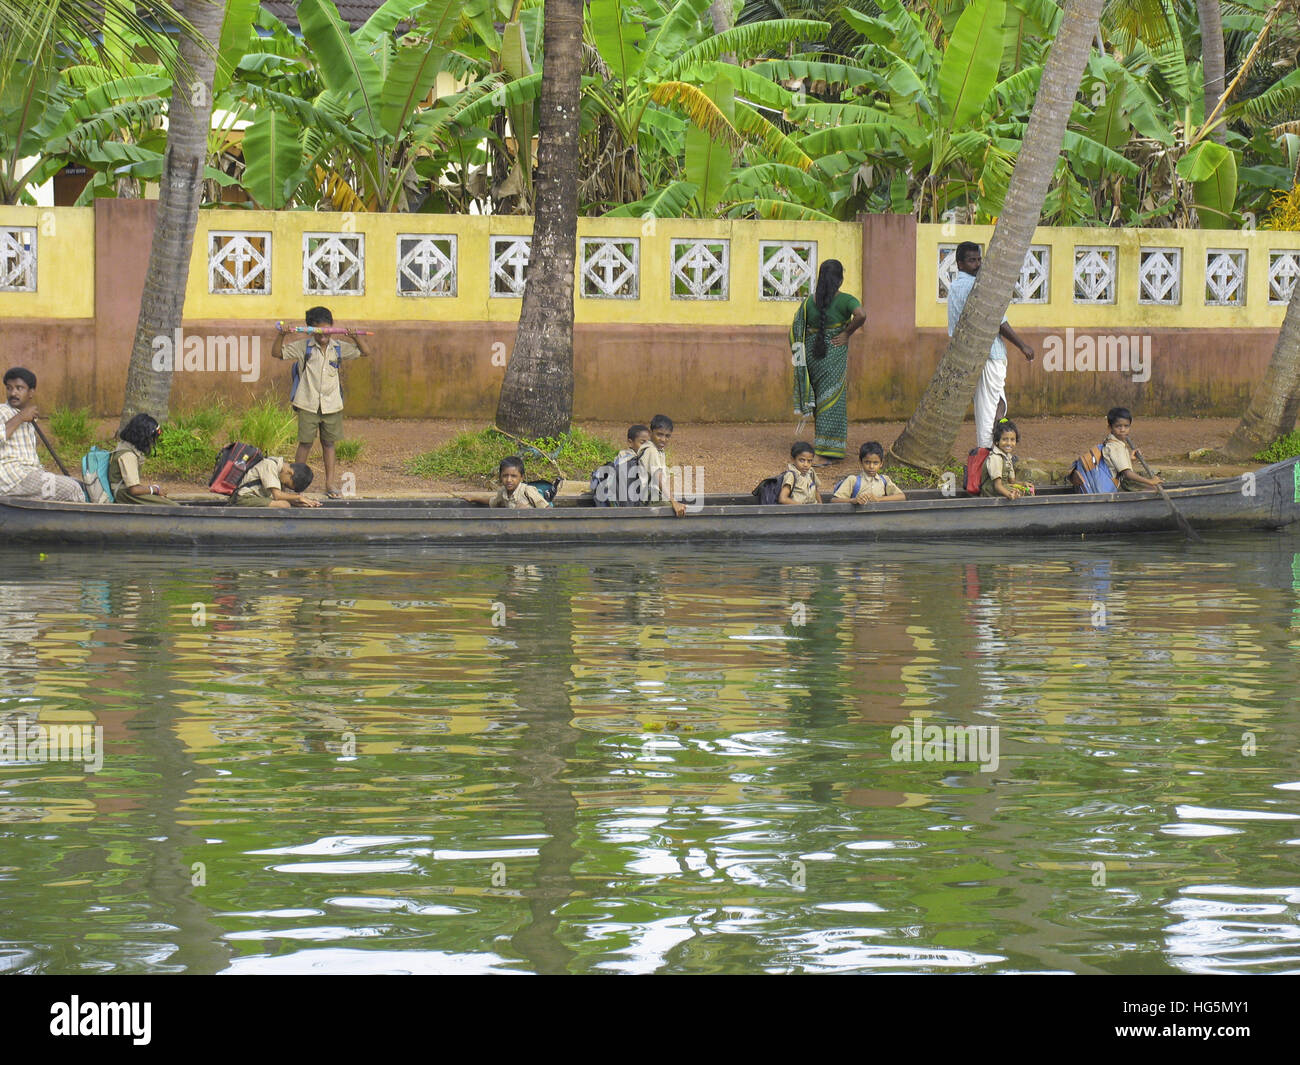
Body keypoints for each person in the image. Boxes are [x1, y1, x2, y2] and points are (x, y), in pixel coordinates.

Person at [272, 306, 371, 499]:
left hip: (332, 404)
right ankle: (296, 484)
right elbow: (277, 353)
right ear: (310, 330)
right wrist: (281, 336)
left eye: (326, 330)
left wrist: (355, 337)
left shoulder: (339, 347)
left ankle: (329, 483)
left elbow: (366, 352)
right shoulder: (304, 347)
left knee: (329, 443)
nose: (323, 336)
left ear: (332, 328)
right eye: (318, 331)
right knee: (305, 443)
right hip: (308, 403)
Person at [947, 241, 1035, 449]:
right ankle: (987, 456)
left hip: (979, 354)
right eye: (971, 260)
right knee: (988, 411)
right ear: (960, 264)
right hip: (987, 356)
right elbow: (997, 321)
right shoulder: (972, 286)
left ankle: (996, 454)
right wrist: (1022, 346)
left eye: (979, 259)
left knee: (997, 406)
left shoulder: (957, 286)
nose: (977, 264)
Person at [791, 260, 867, 462]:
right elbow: (861, 315)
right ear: (840, 279)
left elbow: (795, 329)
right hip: (833, 352)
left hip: (811, 355)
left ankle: (823, 444)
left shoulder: (808, 302)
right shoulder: (847, 300)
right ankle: (827, 452)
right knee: (831, 401)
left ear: (820, 278)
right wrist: (847, 333)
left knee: (818, 400)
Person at [0, 367, 85, 502]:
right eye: (9, 388)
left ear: (31, 392)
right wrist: (20, 417)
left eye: (19, 388)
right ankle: (84, 522)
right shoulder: (3, 411)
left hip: (29, 475)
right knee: (71, 488)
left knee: (80, 485)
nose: (13, 393)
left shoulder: (28, 418)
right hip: (12, 478)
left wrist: (23, 416)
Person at [110, 413, 179, 505]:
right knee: (172, 506)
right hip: (124, 495)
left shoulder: (125, 446)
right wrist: (155, 489)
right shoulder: (128, 456)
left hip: (125, 492)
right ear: (143, 437)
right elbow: (134, 490)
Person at [1101, 407, 1163, 491]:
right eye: (1118, 426)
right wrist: (1150, 481)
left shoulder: (1110, 441)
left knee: (1151, 487)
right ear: (1110, 428)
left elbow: (1115, 463)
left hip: (1116, 481)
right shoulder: (1116, 447)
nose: (1122, 430)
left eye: (1126, 426)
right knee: (1153, 488)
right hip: (1119, 485)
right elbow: (1127, 474)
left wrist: (1129, 458)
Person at [637, 414, 687, 518]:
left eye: (667, 436)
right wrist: (673, 502)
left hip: (654, 497)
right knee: (678, 512)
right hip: (650, 501)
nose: (663, 439)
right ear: (651, 433)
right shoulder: (651, 451)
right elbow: (658, 478)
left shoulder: (659, 450)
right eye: (659, 434)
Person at [462, 456, 552, 508]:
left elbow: (547, 509)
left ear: (521, 477)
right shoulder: (503, 493)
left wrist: (530, 512)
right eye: (505, 476)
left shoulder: (527, 491)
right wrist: (473, 498)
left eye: (514, 476)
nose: (509, 480)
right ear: (500, 476)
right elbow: (492, 501)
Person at [832, 441, 906, 503]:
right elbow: (834, 500)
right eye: (867, 462)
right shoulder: (853, 480)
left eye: (875, 463)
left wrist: (879, 499)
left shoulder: (884, 480)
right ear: (861, 462)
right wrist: (853, 500)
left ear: (881, 463)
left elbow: (902, 497)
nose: (871, 466)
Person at [232, 456, 320, 508]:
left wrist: (298, 503)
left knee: (286, 503)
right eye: (286, 484)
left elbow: (281, 496)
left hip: (255, 497)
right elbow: (277, 496)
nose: (284, 485)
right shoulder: (270, 465)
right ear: (290, 473)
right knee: (284, 505)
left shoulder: (279, 470)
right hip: (243, 498)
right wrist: (298, 497)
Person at [981, 419, 1032, 499]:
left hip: (1003, 486)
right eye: (1004, 439)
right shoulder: (995, 458)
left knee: (1027, 490)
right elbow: (997, 486)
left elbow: (1012, 481)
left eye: (1012, 440)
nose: (1009, 443)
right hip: (991, 490)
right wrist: (1009, 494)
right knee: (1019, 493)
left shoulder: (1008, 457)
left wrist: (1023, 484)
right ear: (997, 441)